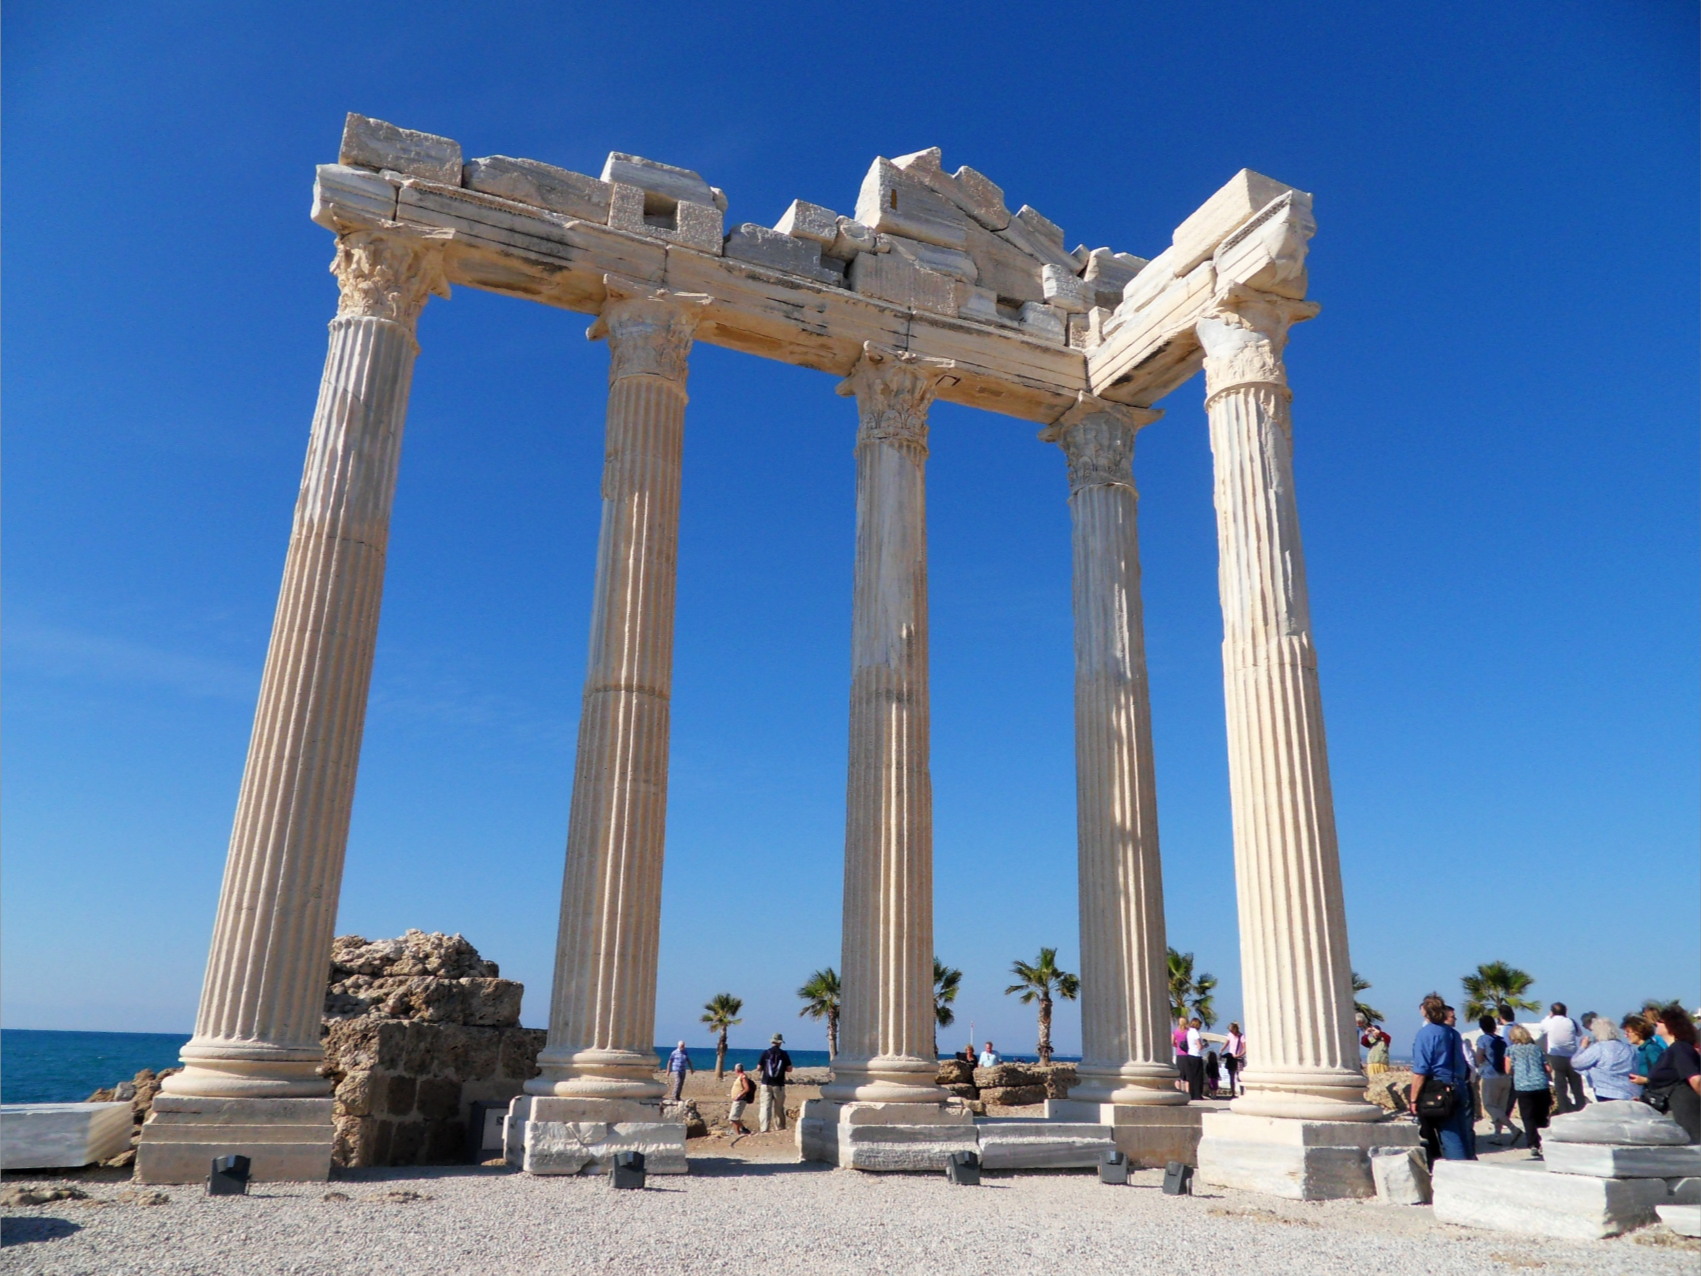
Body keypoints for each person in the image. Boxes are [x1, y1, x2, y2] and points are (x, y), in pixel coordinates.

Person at [1409, 992, 1476, 1164]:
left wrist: (1413, 1099)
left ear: (1425, 1012)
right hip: (1459, 1084)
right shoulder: (1453, 1033)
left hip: (1440, 1086)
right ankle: (1470, 1166)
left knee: (1450, 1133)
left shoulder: (1426, 1034)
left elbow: (1421, 1070)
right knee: (1463, 1131)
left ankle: (1459, 1171)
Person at [1645, 1006, 1701, 1143]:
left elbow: (1696, 1080)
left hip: (1683, 1108)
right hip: (1675, 1106)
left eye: (1660, 1021)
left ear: (1670, 1025)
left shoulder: (1680, 1048)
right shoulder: (1673, 1050)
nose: (1656, 1023)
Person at [1506, 1024, 1552, 1158]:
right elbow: (1548, 1069)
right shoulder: (1537, 1049)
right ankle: (1544, 1141)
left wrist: (1518, 1072)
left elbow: (1507, 1069)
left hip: (1523, 1086)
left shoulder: (1510, 1050)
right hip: (1540, 1084)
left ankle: (1533, 1144)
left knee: (1528, 1117)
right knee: (1542, 1116)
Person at [1474, 1014, 1519, 1145]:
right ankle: (1497, 1135)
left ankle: (1513, 1128)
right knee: (1500, 1107)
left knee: (1489, 1105)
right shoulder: (1502, 1040)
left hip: (1490, 1076)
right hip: (1505, 1076)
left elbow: (1479, 1057)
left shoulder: (1483, 1039)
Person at [1571, 1017, 1637, 1101]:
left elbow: (1576, 1063)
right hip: (1626, 1092)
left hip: (1605, 1091)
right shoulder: (1629, 1048)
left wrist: (1582, 1047)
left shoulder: (1599, 1048)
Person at [1538, 1002, 1587, 1114]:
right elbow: (1579, 1033)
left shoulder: (1549, 1022)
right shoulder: (1571, 1022)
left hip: (1556, 1057)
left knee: (1560, 1087)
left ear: (1552, 1012)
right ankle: (1581, 1109)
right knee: (1577, 1086)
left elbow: (1541, 1028)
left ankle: (1564, 1110)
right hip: (1573, 1056)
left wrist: (1548, 1017)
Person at [757, 1033, 793, 1133]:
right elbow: (789, 1069)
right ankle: (779, 1127)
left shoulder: (765, 1053)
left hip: (766, 1083)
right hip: (779, 1084)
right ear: (780, 1043)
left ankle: (764, 1128)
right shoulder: (784, 1054)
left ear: (772, 1041)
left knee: (765, 1107)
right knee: (778, 1107)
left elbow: (758, 1067)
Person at [1624, 1014, 1666, 1088]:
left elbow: (1664, 1073)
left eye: (1628, 1032)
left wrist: (1645, 1080)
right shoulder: (1642, 1050)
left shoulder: (1651, 1049)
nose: (1626, 1035)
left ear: (1638, 1031)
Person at [726, 1063, 756, 1136]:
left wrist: (739, 1095)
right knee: (734, 1117)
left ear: (736, 1070)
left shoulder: (743, 1077)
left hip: (740, 1100)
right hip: (737, 1100)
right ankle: (743, 1129)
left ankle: (739, 1133)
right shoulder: (740, 1077)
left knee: (733, 1118)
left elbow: (747, 1088)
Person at [1222, 1023, 1246, 1096]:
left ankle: (1242, 1092)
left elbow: (1245, 1048)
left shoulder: (1241, 1036)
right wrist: (1222, 1050)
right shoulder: (1229, 1035)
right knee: (1231, 1076)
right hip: (1231, 1058)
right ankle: (1233, 1093)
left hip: (1238, 1058)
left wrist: (1239, 1055)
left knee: (1240, 1076)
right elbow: (1226, 1043)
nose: (1231, 1032)